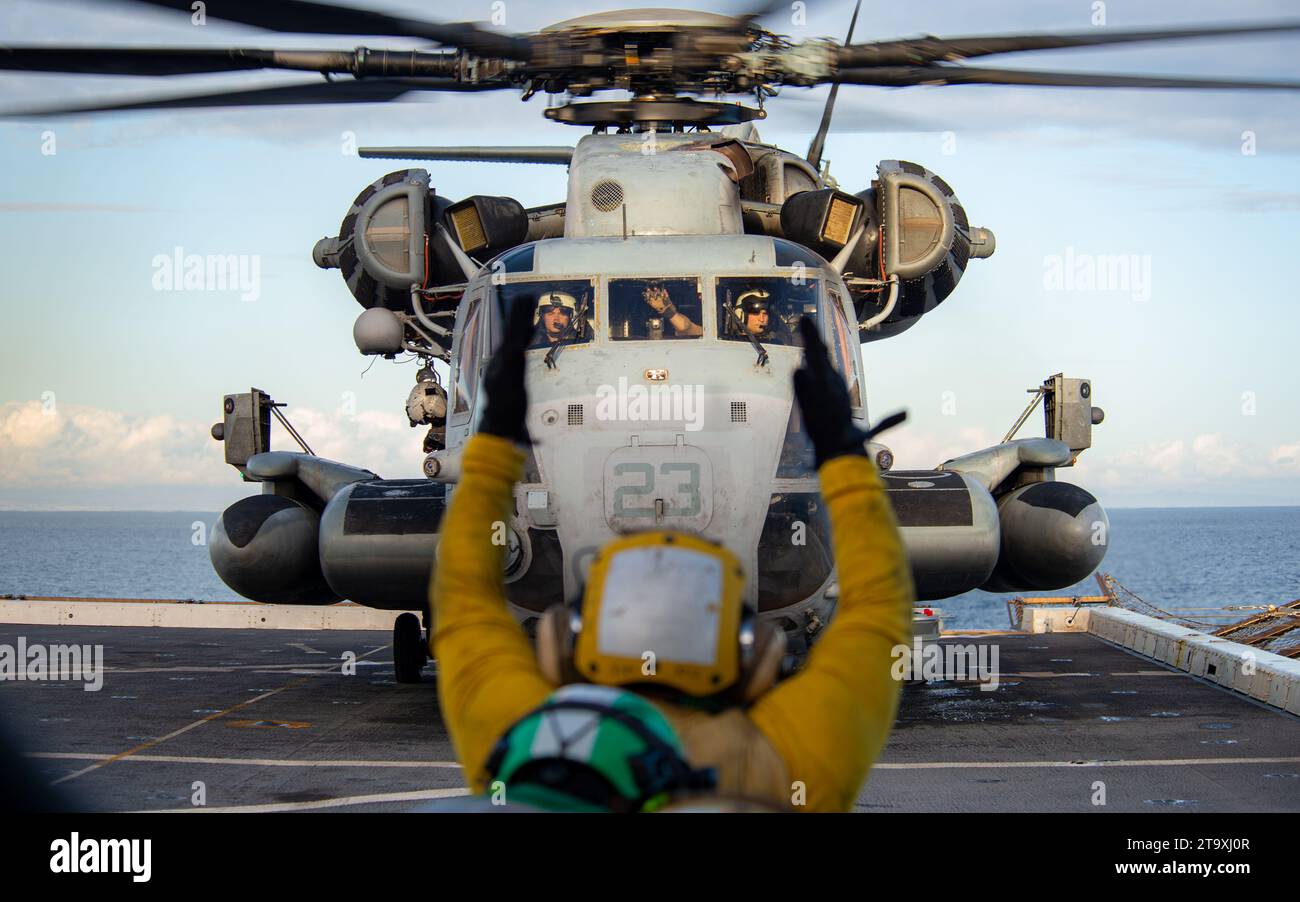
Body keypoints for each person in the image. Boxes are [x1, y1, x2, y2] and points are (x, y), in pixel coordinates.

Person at [429, 301, 913, 812]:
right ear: (751, 652)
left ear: (566, 637)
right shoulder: (786, 759)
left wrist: (492, 446)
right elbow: (878, 614)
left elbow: (462, 601)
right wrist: (843, 457)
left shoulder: (518, 735)